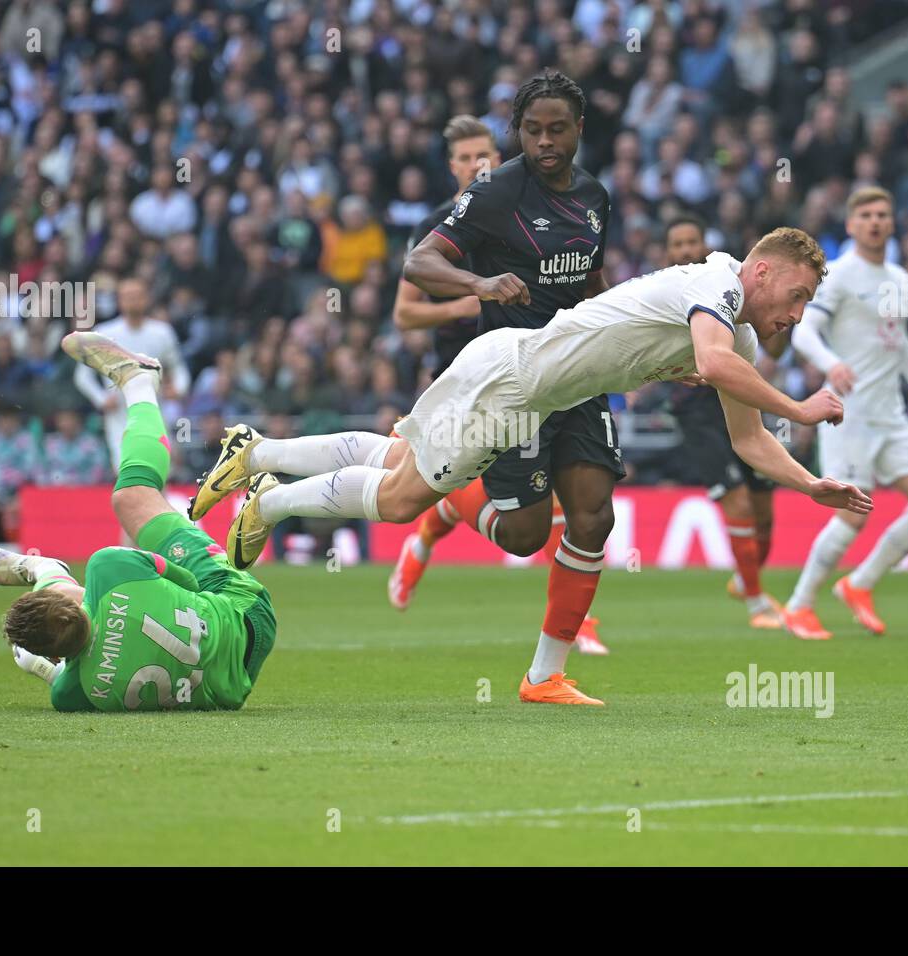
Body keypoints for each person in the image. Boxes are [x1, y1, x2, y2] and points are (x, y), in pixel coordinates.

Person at [191, 227, 869, 705]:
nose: (798, 311)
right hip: (511, 386)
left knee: (399, 459)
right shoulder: (716, 285)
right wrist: (804, 410)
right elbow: (718, 365)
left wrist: (812, 484)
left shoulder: (733, 330)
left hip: (521, 380)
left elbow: (749, 440)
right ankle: (270, 501)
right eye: (799, 293)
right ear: (762, 272)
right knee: (401, 499)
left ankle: (259, 455)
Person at [392, 72, 617, 660]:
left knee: (593, 517)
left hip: (581, 376)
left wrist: (641, 344)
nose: (545, 141)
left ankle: (546, 674)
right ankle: (450, 499)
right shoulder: (495, 192)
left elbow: (594, 282)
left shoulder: (595, 197)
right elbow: (419, 262)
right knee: (525, 536)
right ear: (518, 131)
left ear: (578, 130)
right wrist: (480, 283)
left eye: (557, 130)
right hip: (514, 384)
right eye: (533, 130)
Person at [0, 331, 275, 712]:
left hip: (233, 685)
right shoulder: (106, 568)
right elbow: (188, 582)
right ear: (77, 607)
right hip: (244, 610)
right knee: (130, 497)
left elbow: (67, 675)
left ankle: (40, 568)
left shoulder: (70, 693)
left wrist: (44, 668)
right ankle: (139, 381)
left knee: (96, 598)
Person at [782, 188, 908, 640]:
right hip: (848, 414)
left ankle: (859, 584)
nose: (875, 221)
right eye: (866, 215)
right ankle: (798, 606)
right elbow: (804, 333)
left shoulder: (898, 276)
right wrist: (831, 363)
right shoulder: (837, 275)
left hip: (890, 415)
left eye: (883, 215)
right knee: (853, 515)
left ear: (891, 223)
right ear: (852, 224)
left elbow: (899, 339)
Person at [660, 217, 791, 628]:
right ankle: (756, 604)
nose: (683, 249)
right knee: (736, 502)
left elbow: (775, 347)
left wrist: (786, 312)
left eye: (690, 241)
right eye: (676, 243)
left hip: (738, 400)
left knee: (764, 513)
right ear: (668, 253)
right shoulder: (668, 291)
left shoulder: (729, 289)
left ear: (704, 245)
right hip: (696, 411)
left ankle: (746, 580)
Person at [73, 277, 191, 470]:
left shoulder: (162, 332)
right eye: (127, 296)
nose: (133, 301)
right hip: (120, 418)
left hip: (155, 414)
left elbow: (178, 368)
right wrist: (101, 399)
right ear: (119, 301)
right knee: (127, 476)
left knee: (159, 473)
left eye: (137, 296)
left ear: (147, 299)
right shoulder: (104, 333)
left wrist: (179, 388)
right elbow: (82, 376)